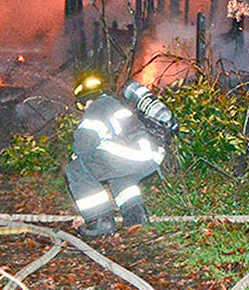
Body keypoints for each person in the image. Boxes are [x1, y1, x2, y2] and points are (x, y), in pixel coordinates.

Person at [64, 72, 177, 238]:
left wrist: (77, 157)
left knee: (76, 169)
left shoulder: (97, 106)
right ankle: (136, 218)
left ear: (86, 100)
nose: (83, 110)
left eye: (82, 106)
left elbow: (84, 142)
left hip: (133, 153)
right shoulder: (117, 104)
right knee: (120, 177)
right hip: (152, 154)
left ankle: (99, 220)